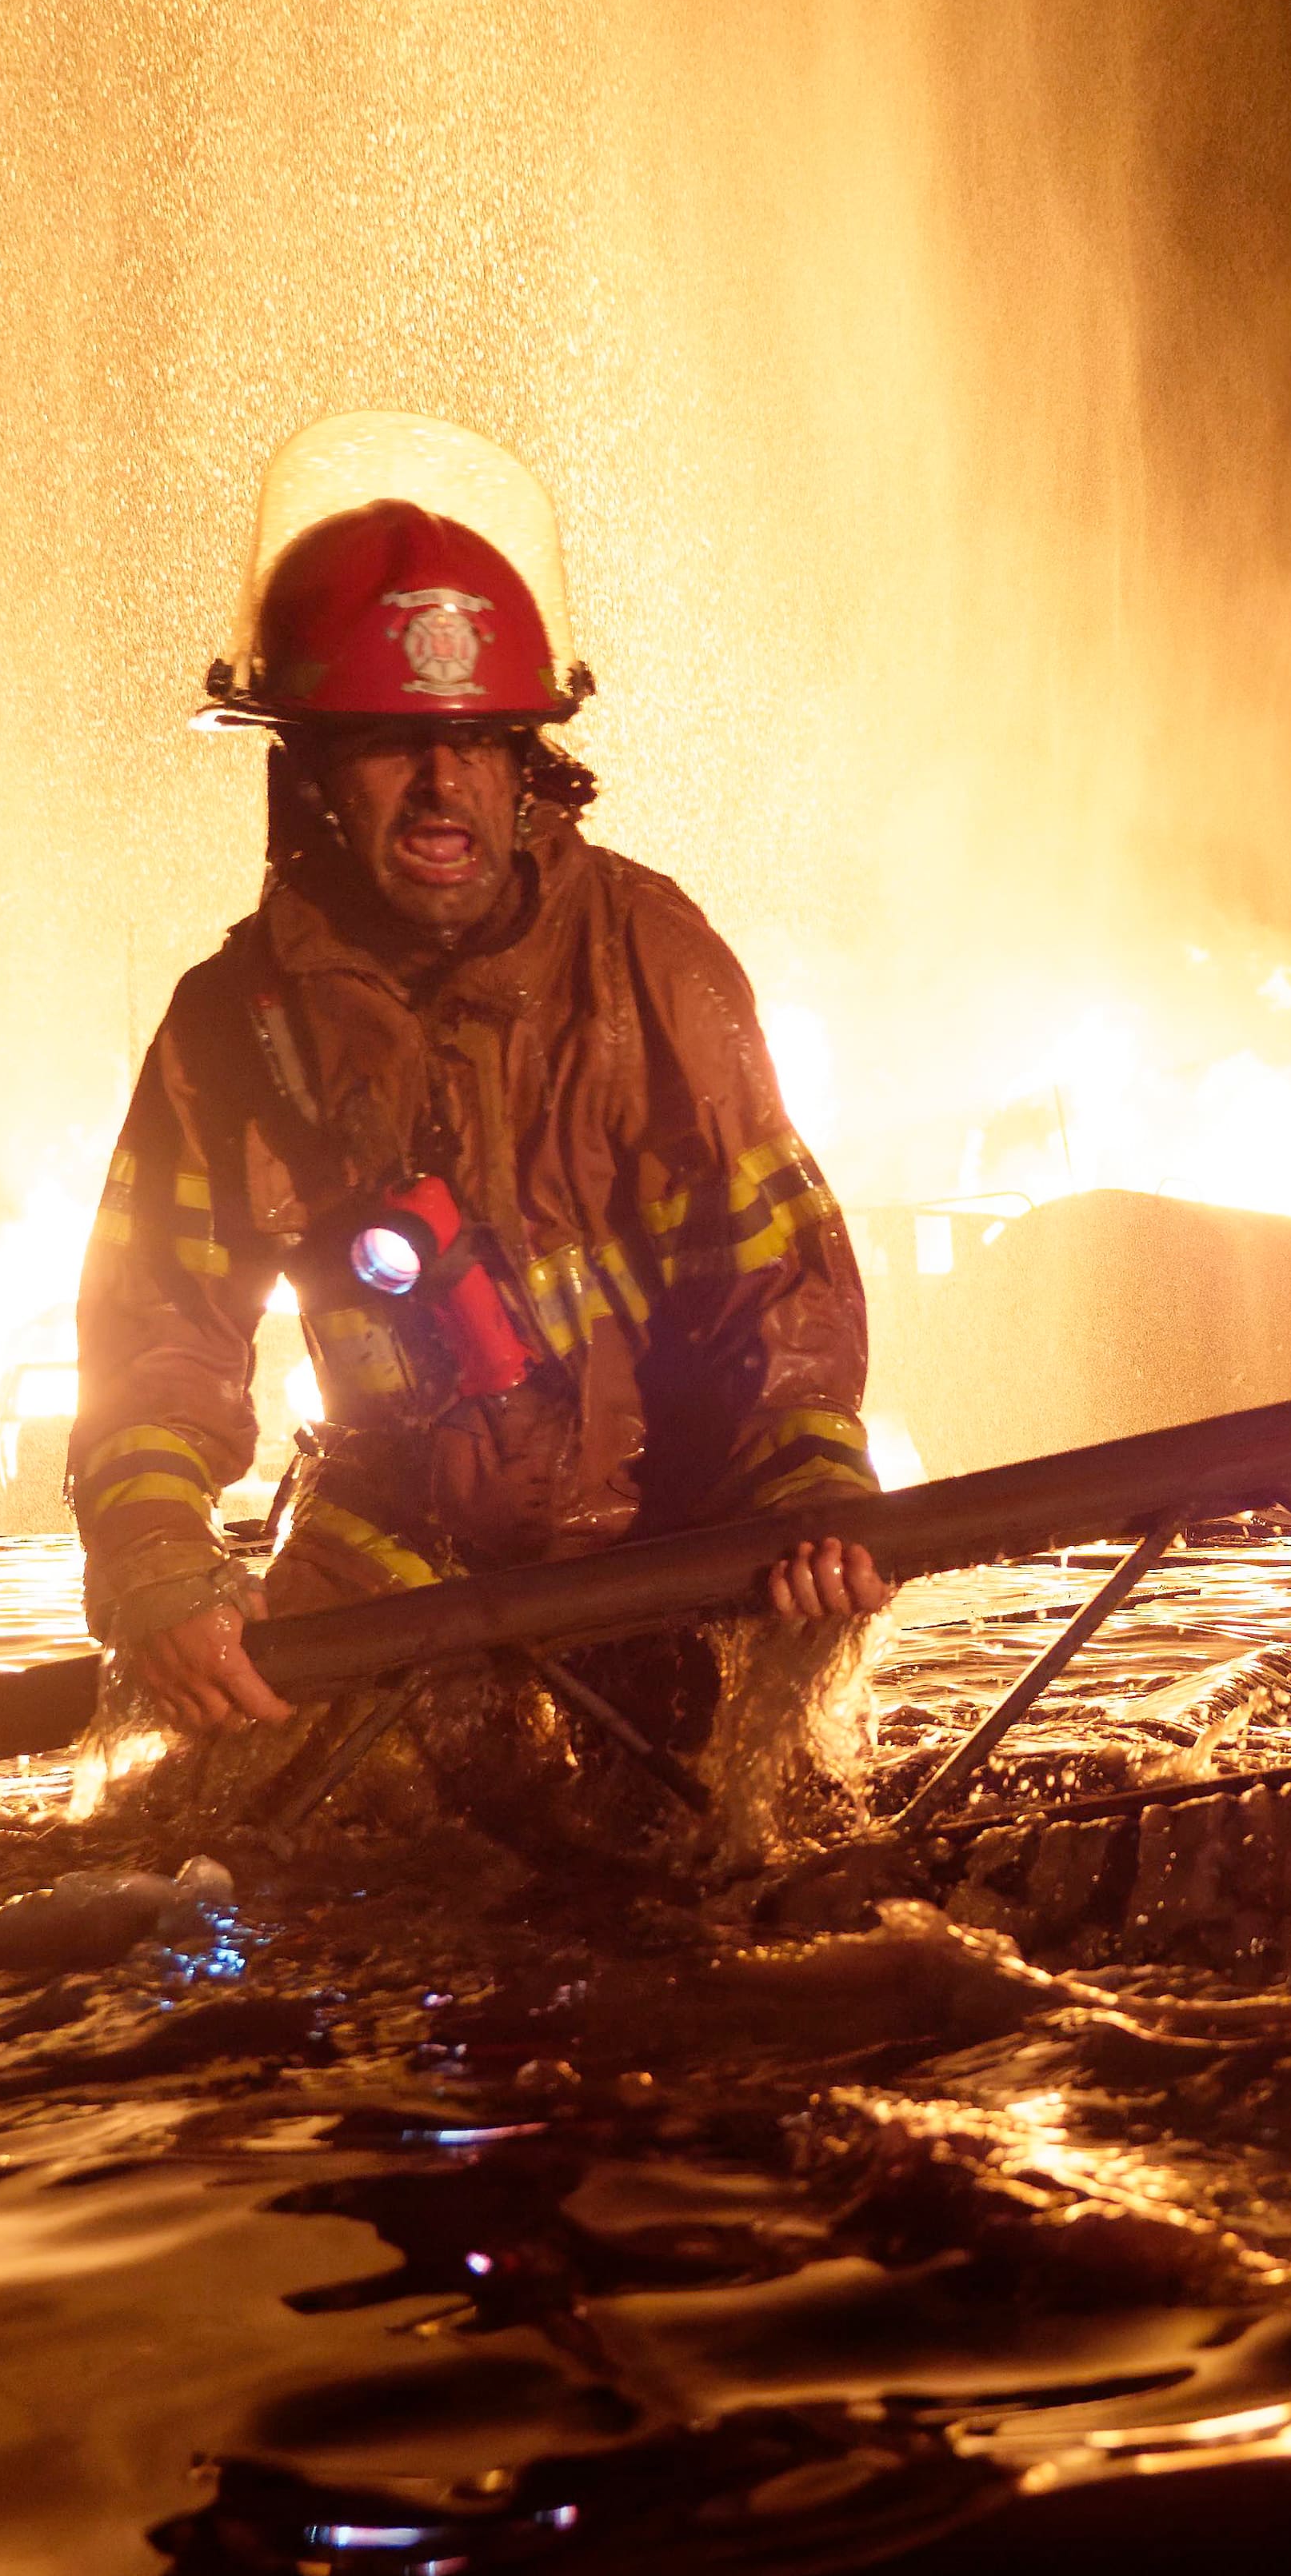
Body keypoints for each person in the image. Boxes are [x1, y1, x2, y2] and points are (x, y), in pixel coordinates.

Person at [70, 413, 884, 1763]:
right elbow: (161, 1334)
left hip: (675, 1545)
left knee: (736, 1876)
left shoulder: (647, 957)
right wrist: (160, 1566)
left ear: (529, 762)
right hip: (395, 1546)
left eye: (483, 742)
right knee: (239, 1804)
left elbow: (776, 1279)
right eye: (393, 744)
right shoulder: (233, 1026)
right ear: (311, 771)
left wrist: (810, 1497)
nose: (444, 785)